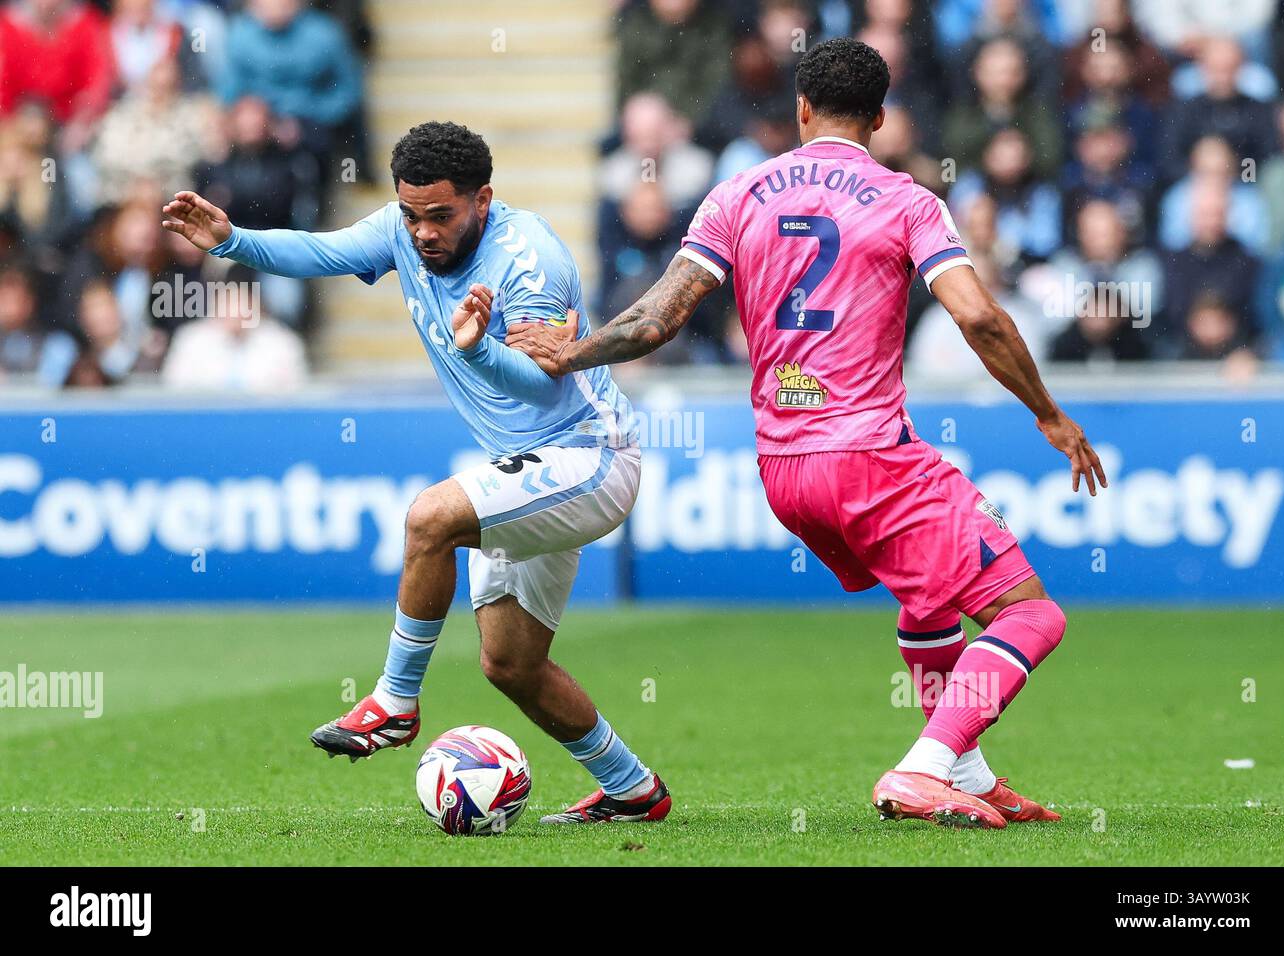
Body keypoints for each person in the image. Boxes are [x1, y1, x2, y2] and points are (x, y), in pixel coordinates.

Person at [508, 38, 1107, 830]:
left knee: (927, 604)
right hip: (870, 457)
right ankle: (924, 767)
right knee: (1032, 615)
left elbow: (657, 319)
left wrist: (573, 352)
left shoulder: (737, 195)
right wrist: (1048, 412)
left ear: (799, 109)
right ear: (882, 118)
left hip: (786, 472)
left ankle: (968, 769)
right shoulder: (907, 200)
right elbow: (976, 315)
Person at [162, 121, 670, 826]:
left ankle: (395, 704)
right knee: (511, 665)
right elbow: (322, 252)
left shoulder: (530, 259)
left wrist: (477, 351)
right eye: (410, 214)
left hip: (591, 457)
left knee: (430, 518)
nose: (423, 232)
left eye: (441, 215)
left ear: (482, 200)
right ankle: (633, 789)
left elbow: (541, 385)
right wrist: (231, 241)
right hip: (527, 468)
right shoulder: (404, 231)